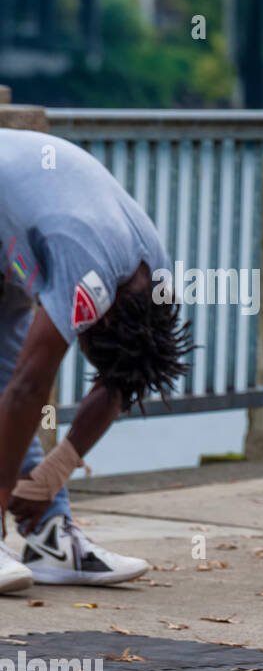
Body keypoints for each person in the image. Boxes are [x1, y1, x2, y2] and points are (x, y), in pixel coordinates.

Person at [0, 128, 191, 594]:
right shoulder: (89, 279)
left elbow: (124, 379)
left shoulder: (154, 281)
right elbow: (30, 387)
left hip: (17, 234)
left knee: (8, 356)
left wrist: (54, 473)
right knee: (20, 376)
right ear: (99, 323)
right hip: (22, 220)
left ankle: (49, 537)